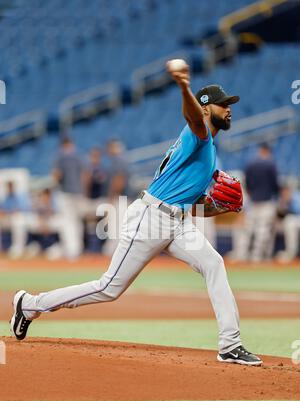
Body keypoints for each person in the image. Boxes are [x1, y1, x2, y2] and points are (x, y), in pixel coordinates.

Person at [10, 61, 262, 366]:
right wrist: (183, 86)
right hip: (150, 219)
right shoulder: (199, 133)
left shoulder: (208, 155)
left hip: (177, 221)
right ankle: (30, 305)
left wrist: (219, 208)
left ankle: (230, 345)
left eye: (229, 104)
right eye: (223, 104)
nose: (229, 109)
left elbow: (193, 205)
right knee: (108, 288)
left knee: (214, 264)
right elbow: (193, 116)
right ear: (207, 109)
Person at [243, 143, 279, 262]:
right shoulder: (271, 164)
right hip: (266, 202)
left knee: (249, 230)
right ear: (267, 151)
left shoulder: (251, 164)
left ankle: (243, 255)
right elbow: (275, 185)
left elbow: (246, 183)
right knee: (262, 230)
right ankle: (256, 257)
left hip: (253, 201)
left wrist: (251, 194)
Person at [52, 136, 85, 259]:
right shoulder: (78, 155)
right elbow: (84, 175)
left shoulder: (61, 156)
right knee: (77, 222)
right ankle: (78, 249)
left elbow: (57, 175)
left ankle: (71, 250)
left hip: (65, 193)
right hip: (78, 192)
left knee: (67, 221)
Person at [0, 181, 31, 258]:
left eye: (11, 187)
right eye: (8, 187)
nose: (10, 189)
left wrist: (12, 212)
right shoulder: (5, 198)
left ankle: (18, 248)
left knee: (18, 221)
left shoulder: (19, 197)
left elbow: (24, 209)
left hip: (19, 219)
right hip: (7, 219)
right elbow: (2, 211)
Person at [276, 184, 300, 262]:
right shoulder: (281, 199)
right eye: (283, 191)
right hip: (292, 221)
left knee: (290, 221)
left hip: (297, 218)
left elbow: (296, 211)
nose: (284, 193)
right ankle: (291, 253)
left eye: (286, 191)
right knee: (289, 222)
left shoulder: (296, 196)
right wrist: (285, 203)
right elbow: (280, 215)